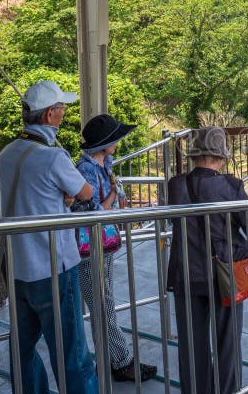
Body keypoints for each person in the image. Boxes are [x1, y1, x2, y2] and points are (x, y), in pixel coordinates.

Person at [0, 80, 98, 394]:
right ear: (50, 114)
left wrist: (61, 195)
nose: (64, 112)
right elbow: (86, 192)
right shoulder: (53, 157)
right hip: (54, 269)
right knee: (73, 356)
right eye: (62, 107)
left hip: (18, 268)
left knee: (22, 352)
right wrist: (68, 196)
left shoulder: (7, 153)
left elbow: (33, 193)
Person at [166, 126, 248, 394]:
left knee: (191, 347)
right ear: (220, 158)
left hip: (186, 274)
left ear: (194, 156)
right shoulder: (230, 186)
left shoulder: (176, 185)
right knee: (227, 345)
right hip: (224, 274)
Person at [75, 113, 158, 383]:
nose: (118, 143)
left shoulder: (102, 164)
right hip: (91, 246)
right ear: (103, 143)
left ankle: (108, 360)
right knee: (103, 305)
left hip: (101, 244)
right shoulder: (86, 170)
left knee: (104, 302)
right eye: (114, 139)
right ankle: (122, 362)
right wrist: (113, 193)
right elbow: (92, 211)